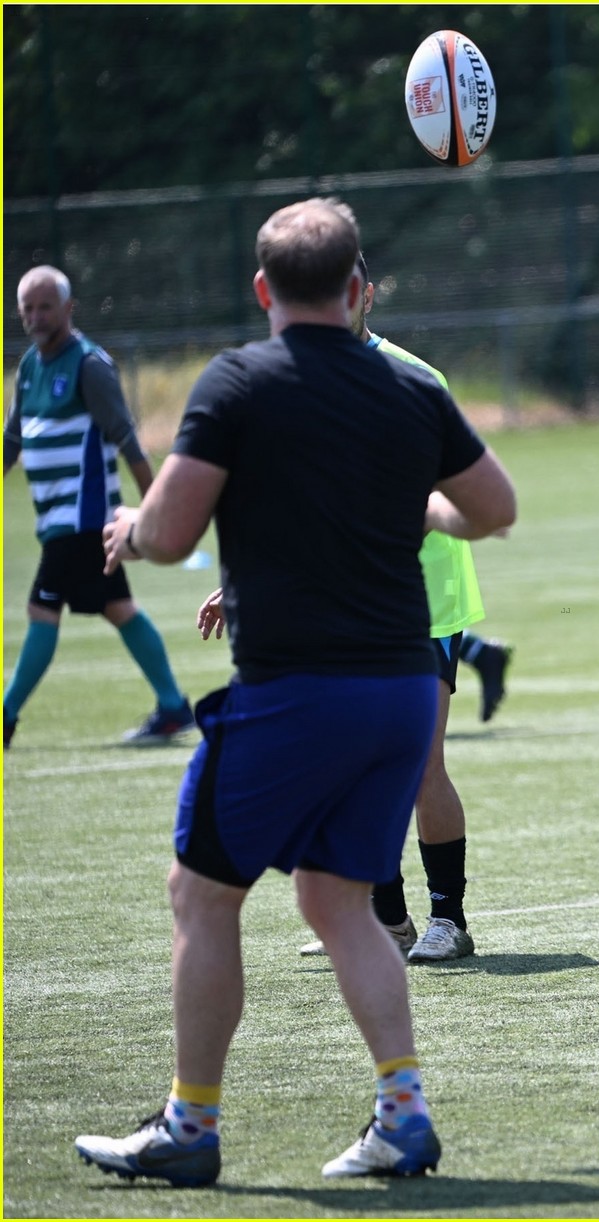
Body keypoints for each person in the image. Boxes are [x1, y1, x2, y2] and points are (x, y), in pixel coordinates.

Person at [73, 197, 516, 1187]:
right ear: (359, 289)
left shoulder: (238, 380)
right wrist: (419, 506)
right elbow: (494, 508)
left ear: (264, 290)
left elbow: (174, 532)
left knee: (199, 891)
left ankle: (190, 1127)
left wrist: (128, 531)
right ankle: (403, 1115)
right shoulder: (409, 388)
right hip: (402, 688)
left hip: (299, 691)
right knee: (335, 899)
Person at [196, 251, 509, 963]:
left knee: (420, 764)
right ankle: (386, 923)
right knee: (353, 766)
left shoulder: (410, 378)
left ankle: (449, 920)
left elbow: (448, 494)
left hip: (422, 597)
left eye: (349, 293)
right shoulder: (296, 381)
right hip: (346, 601)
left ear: (366, 294)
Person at [3, 266, 194, 748]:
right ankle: (173, 707)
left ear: (69, 309)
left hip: (85, 518)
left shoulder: (88, 365)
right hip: (57, 521)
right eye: (27, 307)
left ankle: (5, 714)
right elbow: (12, 440)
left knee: (42, 608)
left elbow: (130, 443)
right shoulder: (29, 367)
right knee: (118, 608)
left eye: (46, 306)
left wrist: (156, 508)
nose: (35, 316)